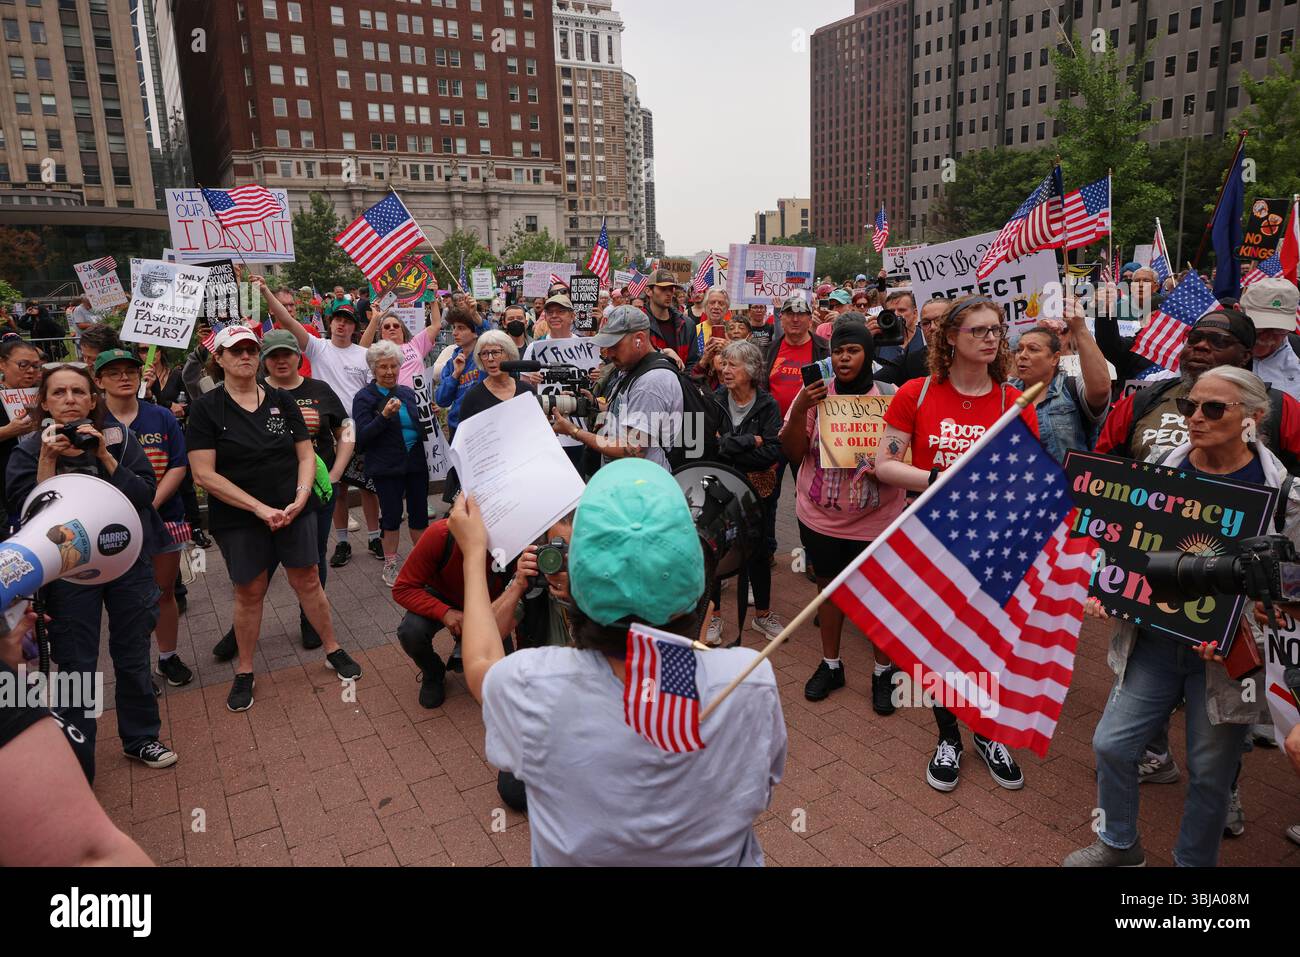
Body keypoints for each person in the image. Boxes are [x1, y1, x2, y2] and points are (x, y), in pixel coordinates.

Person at [450, 459, 787, 866]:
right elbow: (761, 787)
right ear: (695, 580)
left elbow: (481, 661)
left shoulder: (532, 686)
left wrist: (473, 554)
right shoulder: (748, 682)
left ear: (578, 576)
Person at [1065, 366, 1284, 867]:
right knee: (1113, 746)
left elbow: (1289, 588)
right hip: (1155, 644)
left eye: (1213, 408)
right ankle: (1119, 845)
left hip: (1227, 660)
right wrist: (1108, 585)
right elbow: (1124, 542)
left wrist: (1245, 623)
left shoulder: (1282, 494)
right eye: (1189, 406)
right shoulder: (1162, 467)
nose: (1195, 418)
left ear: (1254, 416)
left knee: (1211, 775)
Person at [875, 295, 1039, 793]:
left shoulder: (1014, 401)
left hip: (991, 546)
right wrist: (939, 475)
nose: (992, 339)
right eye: (979, 331)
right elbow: (885, 464)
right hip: (929, 540)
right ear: (950, 338)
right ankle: (947, 736)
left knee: (988, 648)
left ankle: (988, 734)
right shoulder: (915, 393)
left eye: (996, 331)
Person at [6, 364, 177, 776]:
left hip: (125, 562)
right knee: (76, 662)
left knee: (133, 651)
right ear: (44, 402)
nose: (69, 400)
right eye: (59, 393)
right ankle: (77, 754)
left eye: (78, 392)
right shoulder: (29, 449)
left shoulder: (116, 440)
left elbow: (144, 494)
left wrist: (102, 454)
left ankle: (141, 738)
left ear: (92, 399)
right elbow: (26, 514)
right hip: (66, 574)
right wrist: (47, 460)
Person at [186, 326, 362, 712]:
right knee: (249, 591)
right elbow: (204, 475)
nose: (245, 356)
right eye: (236, 351)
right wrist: (259, 508)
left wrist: (300, 500)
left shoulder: (283, 400)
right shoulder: (206, 408)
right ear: (220, 358)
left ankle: (332, 649)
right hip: (240, 518)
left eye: (251, 349)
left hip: (292, 510)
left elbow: (305, 455)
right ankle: (245, 670)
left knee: (308, 579)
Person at [778, 318, 909, 708]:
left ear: (868, 353)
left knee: (878, 598)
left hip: (877, 520)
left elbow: (905, 449)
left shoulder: (891, 394)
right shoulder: (815, 394)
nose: (844, 358)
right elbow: (791, 452)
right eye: (838, 351)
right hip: (822, 518)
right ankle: (830, 663)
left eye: (853, 350)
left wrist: (885, 460)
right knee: (829, 592)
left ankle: (882, 672)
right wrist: (801, 405)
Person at [212, 330, 355, 656]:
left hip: (313, 494)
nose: (280, 360)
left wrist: (335, 473)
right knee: (257, 570)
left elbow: (347, 428)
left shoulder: (319, 389)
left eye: (286, 354)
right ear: (265, 359)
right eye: (273, 355)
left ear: (297, 356)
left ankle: (310, 620)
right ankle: (240, 631)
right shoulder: (252, 392)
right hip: (260, 499)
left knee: (311, 561)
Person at [258, 279, 384, 567]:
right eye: (338, 319)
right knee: (335, 487)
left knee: (368, 488)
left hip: (356, 429)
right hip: (328, 429)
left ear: (355, 327)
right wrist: (266, 292)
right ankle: (341, 541)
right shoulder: (317, 347)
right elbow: (287, 320)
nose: (342, 325)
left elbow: (372, 392)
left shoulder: (365, 356)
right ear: (331, 321)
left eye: (348, 321)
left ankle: (374, 535)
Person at [94, 348, 195, 688]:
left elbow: (178, 464)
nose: (124, 377)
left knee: (163, 592)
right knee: (128, 598)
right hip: (111, 527)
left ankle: (167, 658)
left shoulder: (161, 416)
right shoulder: (93, 423)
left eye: (130, 371)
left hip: (165, 517)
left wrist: (149, 501)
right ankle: (136, 668)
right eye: (114, 372)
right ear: (99, 381)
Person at [391, 518, 519, 708]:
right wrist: (444, 612)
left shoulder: (518, 541)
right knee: (410, 631)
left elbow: (521, 601)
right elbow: (402, 588)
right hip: (443, 594)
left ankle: (473, 651)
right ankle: (433, 673)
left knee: (503, 682)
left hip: (491, 603)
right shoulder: (441, 533)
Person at [706, 340, 785, 646]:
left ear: (751, 370)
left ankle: (762, 614)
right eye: (723, 364)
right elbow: (712, 447)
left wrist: (732, 446)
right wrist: (751, 441)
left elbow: (773, 451)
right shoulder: (714, 401)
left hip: (756, 491)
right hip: (721, 489)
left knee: (759, 551)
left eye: (732, 364)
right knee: (715, 552)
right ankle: (713, 618)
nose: (725, 370)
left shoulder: (767, 404)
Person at [551, 305, 684, 472]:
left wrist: (574, 431)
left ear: (639, 339)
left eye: (615, 345)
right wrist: (587, 403)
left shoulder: (650, 383)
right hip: (628, 479)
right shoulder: (631, 368)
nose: (609, 353)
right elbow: (626, 411)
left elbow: (633, 450)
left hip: (642, 485)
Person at [353, 340, 430, 587]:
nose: (389, 372)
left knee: (419, 516)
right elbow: (362, 436)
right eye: (383, 367)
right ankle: (391, 564)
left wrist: (429, 414)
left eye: (393, 366)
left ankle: (424, 565)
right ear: (373, 370)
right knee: (392, 516)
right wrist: (384, 416)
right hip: (386, 466)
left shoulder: (407, 392)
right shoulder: (364, 397)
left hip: (415, 463)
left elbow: (421, 427)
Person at [1009, 297, 1111, 464]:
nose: (1022, 355)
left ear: (1055, 358)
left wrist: (1079, 328)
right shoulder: (1005, 394)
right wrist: (1037, 330)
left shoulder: (1071, 389)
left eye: (1033, 349)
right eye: (1019, 349)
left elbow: (1101, 389)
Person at [0, 337, 42, 533]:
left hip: (35, 483)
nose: (31, 371)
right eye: (23, 365)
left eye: (36, 365)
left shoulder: (46, 394)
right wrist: (8, 431)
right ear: (2, 364)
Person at [359, 303, 443, 391]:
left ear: (402, 330)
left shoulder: (415, 344)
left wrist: (432, 299)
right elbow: (362, 349)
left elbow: (436, 325)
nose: (392, 328)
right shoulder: (379, 351)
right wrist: (375, 319)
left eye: (396, 326)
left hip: (418, 401)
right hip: (392, 401)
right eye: (387, 327)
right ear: (381, 333)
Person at [1242, 277, 1300, 400]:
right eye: (1260, 327)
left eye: (1279, 329)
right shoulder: (1214, 350)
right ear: (1240, 311)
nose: (1267, 337)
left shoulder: (1297, 354)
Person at [458, 330, 536, 423]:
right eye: (484, 354)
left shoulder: (527, 391)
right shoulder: (472, 397)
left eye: (496, 352)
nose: (490, 359)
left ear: (509, 354)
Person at [434, 308, 484, 436]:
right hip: (456, 427)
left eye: (461, 328)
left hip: (482, 427)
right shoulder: (452, 362)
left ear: (475, 333)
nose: (455, 333)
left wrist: (478, 319)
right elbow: (441, 400)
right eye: (454, 327)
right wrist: (455, 375)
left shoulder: (486, 359)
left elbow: (491, 334)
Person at [644, 269, 699, 369]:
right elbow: (632, 359)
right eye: (663, 289)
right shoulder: (638, 324)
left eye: (671, 289)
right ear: (648, 291)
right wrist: (664, 353)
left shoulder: (687, 324)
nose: (669, 293)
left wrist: (682, 380)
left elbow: (693, 364)